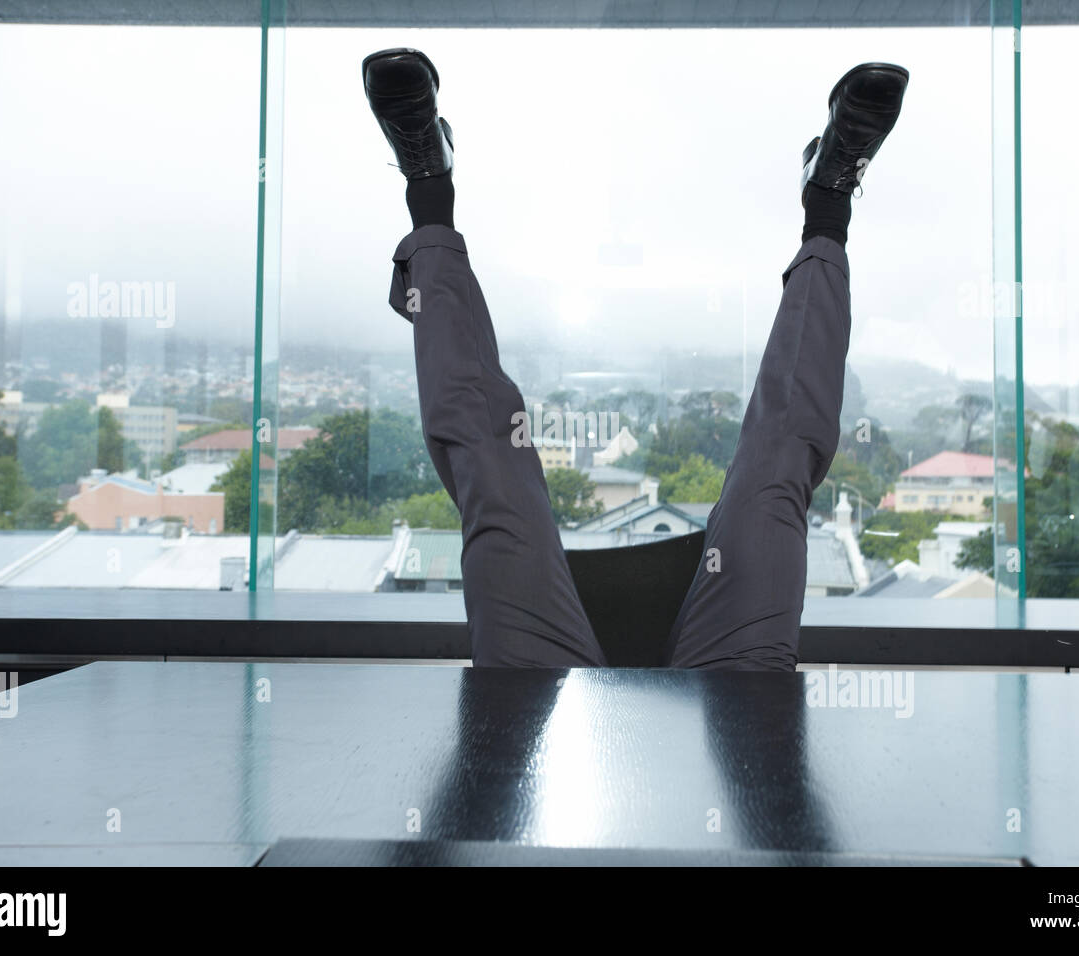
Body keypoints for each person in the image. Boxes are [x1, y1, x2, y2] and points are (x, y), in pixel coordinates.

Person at [362, 49, 908, 670]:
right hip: (726, 695)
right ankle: (429, 184)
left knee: (773, 467)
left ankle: (828, 197)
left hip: (548, 695)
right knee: (495, 463)